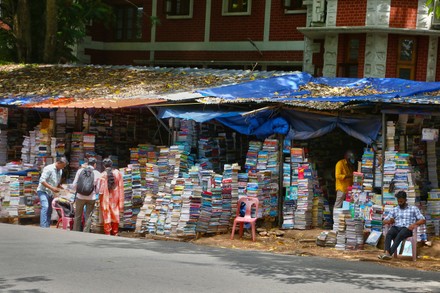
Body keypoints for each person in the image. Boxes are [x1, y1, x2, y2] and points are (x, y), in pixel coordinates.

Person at [378, 190, 426, 260]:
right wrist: (389, 221)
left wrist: (414, 224)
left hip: (407, 229)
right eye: (398, 201)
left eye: (401, 201)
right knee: (389, 233)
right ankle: (387, 252)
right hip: (396, 227)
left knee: (400, 234)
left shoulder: (413, 209)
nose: (400, 203)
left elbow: (423, 220)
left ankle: (388, 254)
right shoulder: (394, 209)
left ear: (405, 200)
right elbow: (384, 221)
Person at [37, 157, 69, 228]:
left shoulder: (60, 171)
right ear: (59, 163)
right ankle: (43, 226)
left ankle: (47, 225)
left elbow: (56, 182)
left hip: (51, 192)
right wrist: (52, 188)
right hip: (43, 191)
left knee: (49, 209)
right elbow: (42, 180)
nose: (63, 168)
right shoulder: (49, 168)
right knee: (45, 206)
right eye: (63, 166)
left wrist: (60, 187)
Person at [72, 157, 101, 232]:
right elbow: (98, 188)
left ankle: (76, 231)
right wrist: (95, 193)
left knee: (78, 215)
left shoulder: (80, 171)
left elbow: (74, 184)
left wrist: (77, 192)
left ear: (87, 163)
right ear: (94, 165)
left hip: (80, 197)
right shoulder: (97, 173)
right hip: (91, 198)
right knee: (88, 216)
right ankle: (86, 232)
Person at [99, 158, 123, 236]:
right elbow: (121, 186)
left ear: (103, 166)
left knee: (106, 213)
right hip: (115, 196)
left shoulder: (102, 174)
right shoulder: (117, 173)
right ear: (112, 165)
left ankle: (107, 232)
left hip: (105, 197)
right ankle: (115, 232)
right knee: (115, 212)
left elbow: (101, 190)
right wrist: (121, 200)